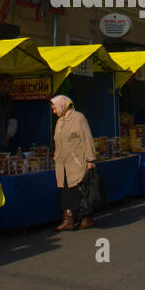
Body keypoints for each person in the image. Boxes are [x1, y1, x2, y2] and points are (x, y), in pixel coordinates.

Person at [51, 94, 98, 231]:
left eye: (55, 108)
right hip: (62, 163)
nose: (54, 111)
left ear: (62, 106)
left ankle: (86, 217)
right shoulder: (60, 122)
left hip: (76, 161)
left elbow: (86, 138)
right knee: (65, 190)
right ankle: (68, 219)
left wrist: (90, 159)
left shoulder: (79, 118)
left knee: (81, 190)